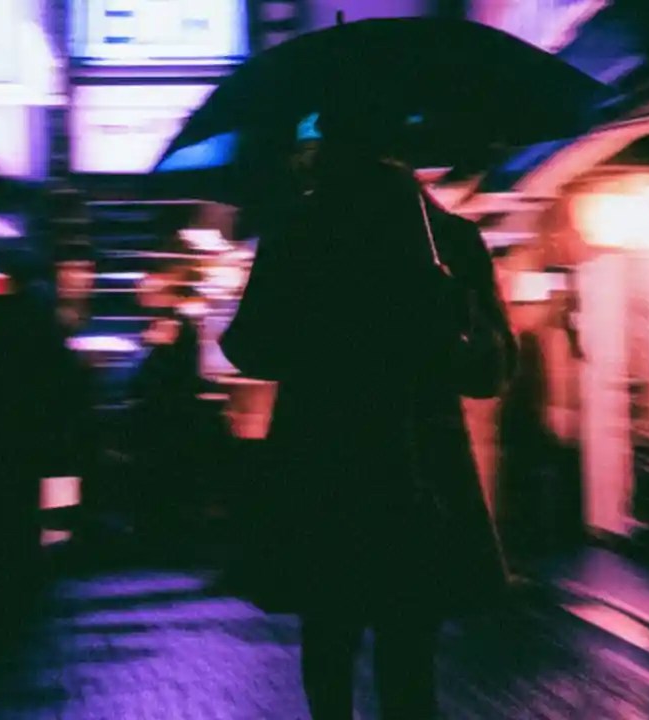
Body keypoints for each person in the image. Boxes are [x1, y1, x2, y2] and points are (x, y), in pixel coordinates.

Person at [220, 108, 514, 719]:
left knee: (328, 642)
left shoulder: (297, 235)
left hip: (322, 465)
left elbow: (249, 348)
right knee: (410, 653)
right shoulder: (450, 239)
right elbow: (490, 372)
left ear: (328, 152)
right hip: (420, 465)